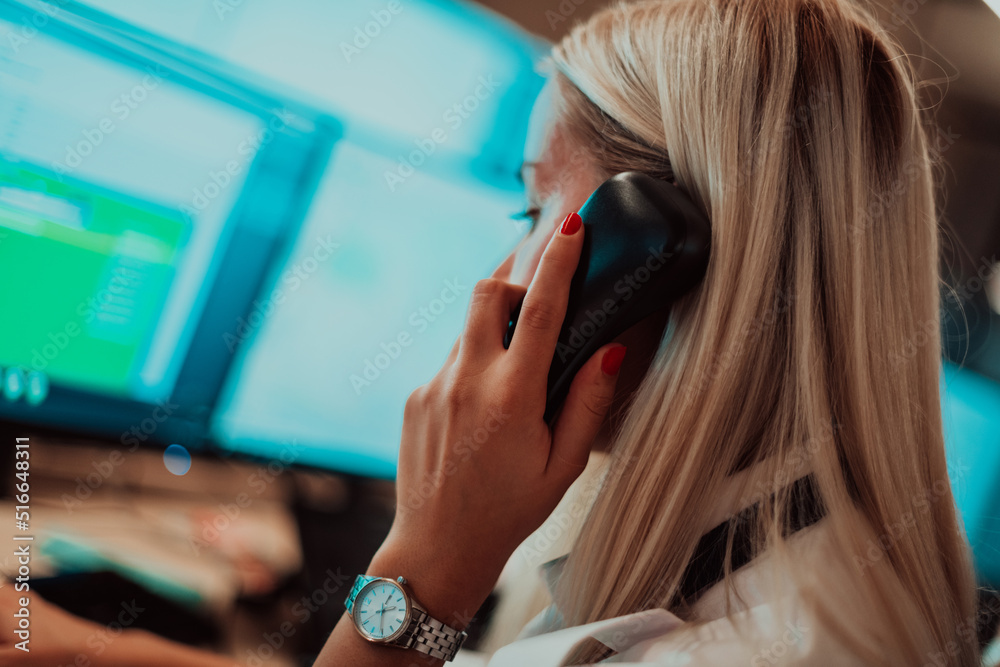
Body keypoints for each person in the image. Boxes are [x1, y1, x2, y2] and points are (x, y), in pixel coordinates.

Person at [0, 0, 982, 665]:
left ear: (647, 255)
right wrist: (77, 643)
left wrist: (424, 569)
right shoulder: (761, 535)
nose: (497, 278)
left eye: (529, 214)